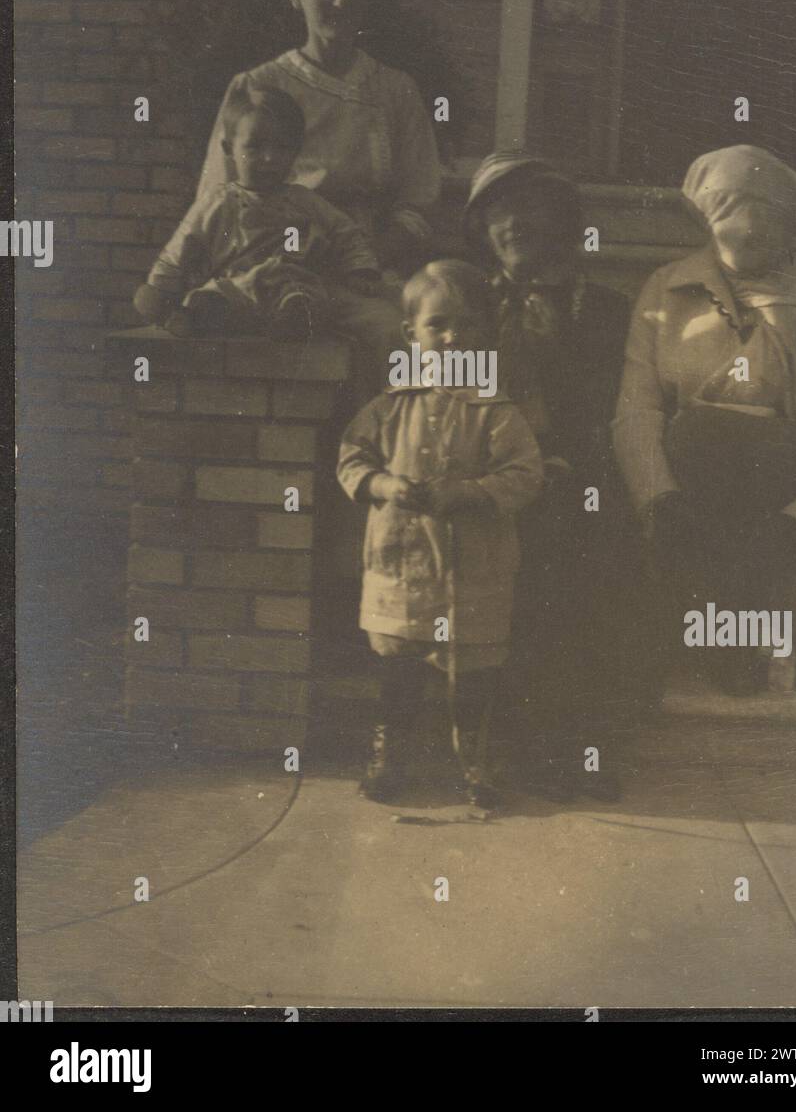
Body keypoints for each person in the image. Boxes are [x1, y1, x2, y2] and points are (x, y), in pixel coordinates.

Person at [612, 144, 796, 697]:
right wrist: (657, 495)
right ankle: (741, 636)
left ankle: (772, 626)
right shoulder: (668, 290)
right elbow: (638, 406)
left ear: (788, 231)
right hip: (694, 469)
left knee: (761, 485)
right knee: (698, 443)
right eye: (735, 228)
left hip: (783, 475)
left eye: (765, 229)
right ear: (711, 225)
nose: (750, 239)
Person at [336, 259, 544, 810]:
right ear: (412, 335)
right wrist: (383, 484)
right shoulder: (386, 408)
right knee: (398, 665)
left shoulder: (496, 412)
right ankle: (390, 758)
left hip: (473, 567)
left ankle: (477, 761)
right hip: (402, 564)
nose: (454, 338)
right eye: (439, 326)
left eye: (469, 326)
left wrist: (472, 492)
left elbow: (526, 473)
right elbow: (351, 460)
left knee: (472, 671)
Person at [463, 152, 637, 801]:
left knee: (583, 556)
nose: (508, 225)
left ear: (560, 221)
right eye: (495, 214)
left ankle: (577, 750)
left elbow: (613, 412)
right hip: (490, 474)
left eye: (524, 209)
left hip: (581, 480)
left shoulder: (609, 311)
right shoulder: (471, 305)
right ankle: (509, 749)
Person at [196, 0, 441, 273]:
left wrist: (369, 258)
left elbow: (419, 201)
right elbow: (218, 201)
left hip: (369, 265)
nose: (339, 2)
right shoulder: (257, 88)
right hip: (270, 267)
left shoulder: (396, 91)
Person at [133, 80, 397, 371]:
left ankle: (296, 319)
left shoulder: (304, 201)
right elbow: (181, 246)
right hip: (239, 287)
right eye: (255, 147)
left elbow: (345, 233)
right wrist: (160, 289)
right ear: (229, 147)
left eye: (282, 148)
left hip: (292, 282)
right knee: (212, 298)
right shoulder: (217, 203)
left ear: (296, 151)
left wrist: (359, 268)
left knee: (307, 297)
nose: (269, 158)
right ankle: (196, 317)